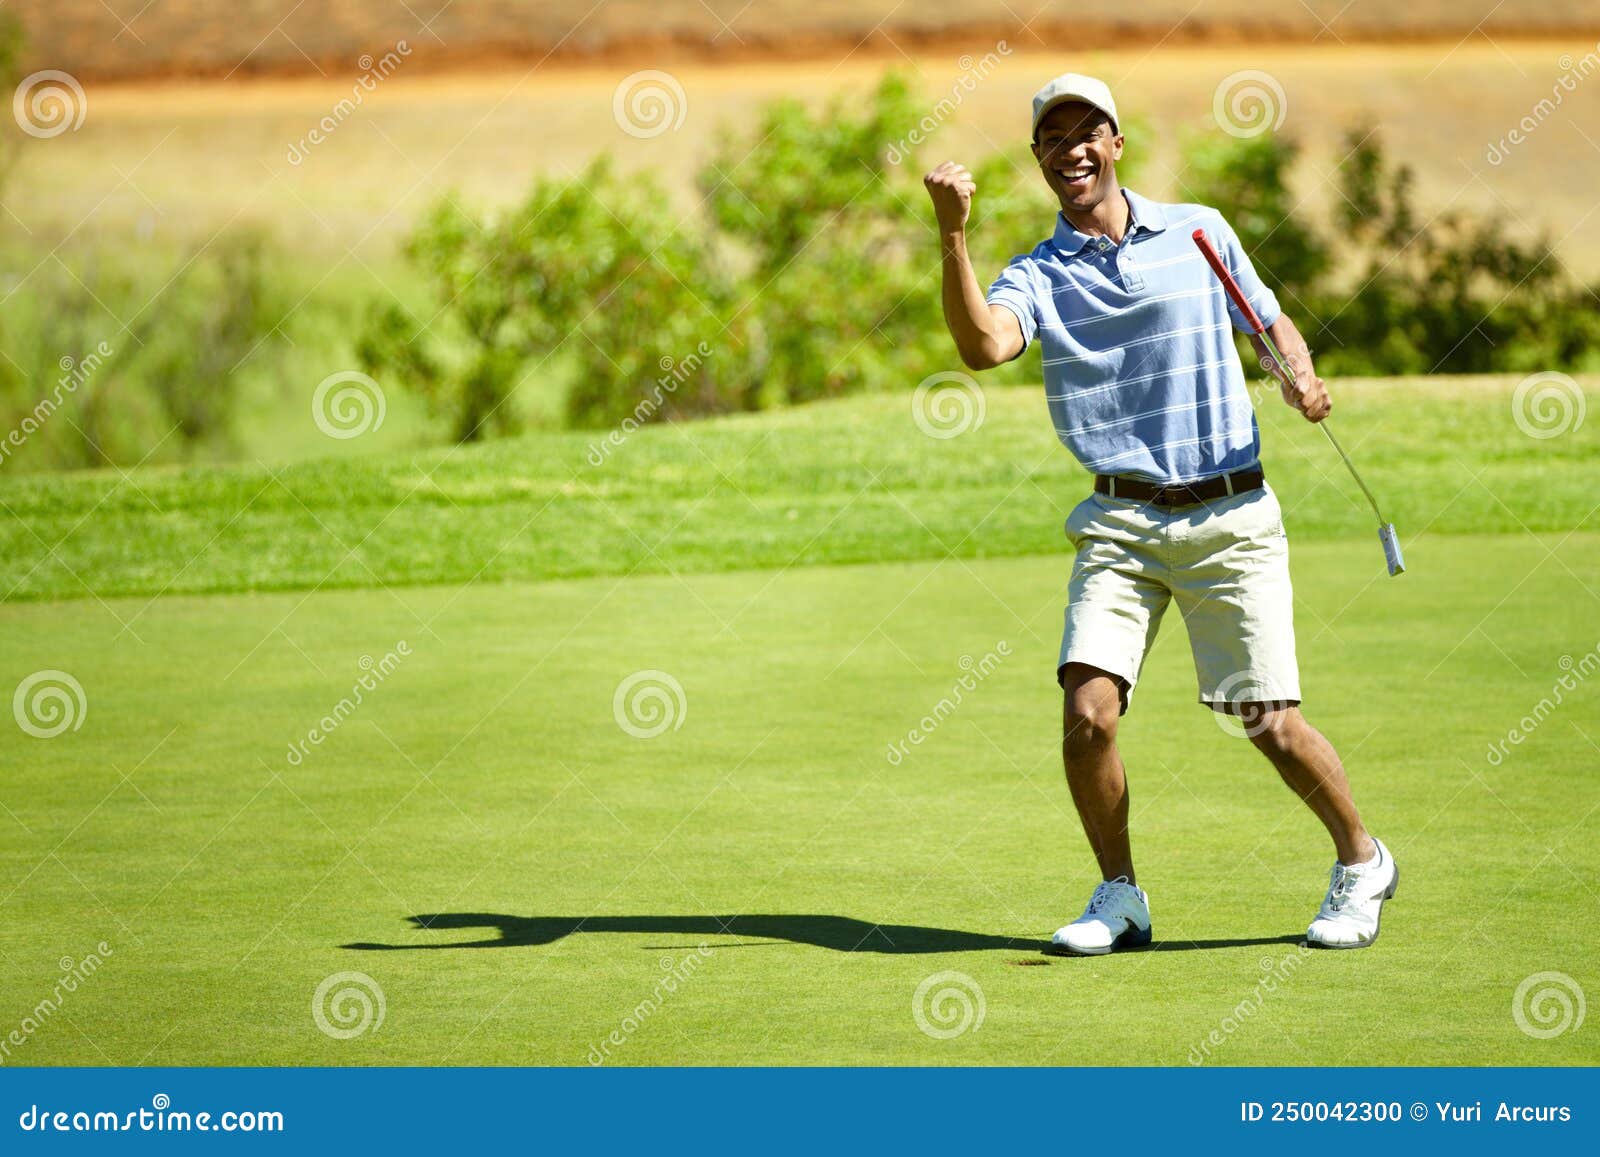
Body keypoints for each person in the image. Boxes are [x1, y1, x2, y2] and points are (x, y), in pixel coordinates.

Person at [922, 73, 1396, 954]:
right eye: (1053, 138)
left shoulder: (1198, 231)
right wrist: (953, 234)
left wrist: (1297, 370)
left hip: (1231, 511)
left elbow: (1271, 321)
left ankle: (1363, 861)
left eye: (1086, 131)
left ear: (1116, 141)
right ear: (1038, 160)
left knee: (1270, 723)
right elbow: (984, 346)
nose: (1072, 149)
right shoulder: (1037, 272)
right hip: (1120, 525)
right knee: (1087, 713)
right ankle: (1121, 896)